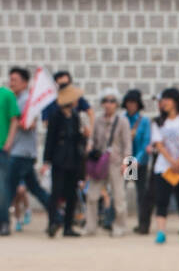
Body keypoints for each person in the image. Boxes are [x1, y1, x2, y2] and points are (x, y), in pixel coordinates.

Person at [7, 66, 53, 227]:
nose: (11, 83)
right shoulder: (17, 99)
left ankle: (3, 222)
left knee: (8, 188)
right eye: (10, 79)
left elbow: (31, 124)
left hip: (21, 153)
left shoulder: (27, 101)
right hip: (21, 152)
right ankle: (57, 214)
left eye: (14, 80)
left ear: (25, 83)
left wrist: (14, 122)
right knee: (34, 189)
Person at [84, 88, 132, 238]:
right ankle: (90, 226)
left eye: (111, 101)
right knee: (92, 195)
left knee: (119, 197)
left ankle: (120, 226)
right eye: (105, 101)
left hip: (117, 163)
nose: (108, 104)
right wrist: (89, 146)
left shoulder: (123, 121)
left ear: (116, 104)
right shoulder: (98, 120)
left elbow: (128, 144)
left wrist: (127, 164)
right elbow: (92, 138)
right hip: (99, 164)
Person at [150, 87, 179, 243]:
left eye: (167, 99)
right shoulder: (158, 122)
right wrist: (172, 161)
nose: (164, 103)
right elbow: (159, 144)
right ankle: (161, 231)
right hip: (164, 168)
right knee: (162, 199)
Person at [44, 83, 86, 237]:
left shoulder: (75, 116)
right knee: (56, 193)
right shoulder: (56, 116)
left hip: (73, 159)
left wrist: (84, 136)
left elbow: (77, 138)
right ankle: (52, 223)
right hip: (59, 159)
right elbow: (50, 139)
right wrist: (47, 160)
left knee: (72, 194)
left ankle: (68, 226)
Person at [122, 89, 151, 235]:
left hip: (139, 163)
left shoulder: (144, 121)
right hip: (125, 162)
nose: (131, 105)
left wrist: (136, 160)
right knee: (120, 192)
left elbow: (146, 141)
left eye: (133, 103)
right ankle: (114, 221)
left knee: (142, 194)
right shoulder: (121, 119)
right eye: (129, 103)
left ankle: (143, 224)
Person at [0, 75, 20, 235]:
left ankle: (4, 222)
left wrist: (9, 141)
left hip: (2, 148)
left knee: (2, 187)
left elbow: (14, 119)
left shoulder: (7, 94)